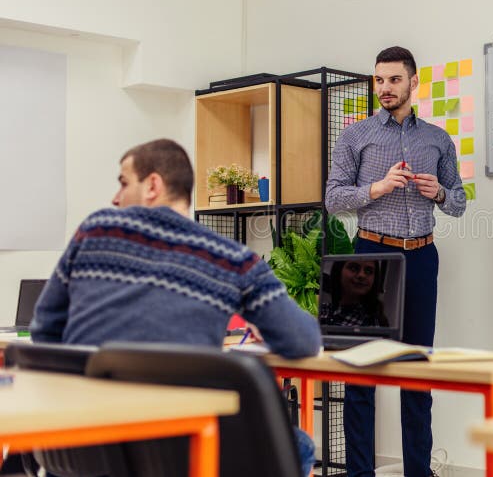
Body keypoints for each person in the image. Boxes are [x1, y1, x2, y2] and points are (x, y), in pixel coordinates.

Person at [30, 138, 320, 476]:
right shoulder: (233, 259)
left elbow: (45, 329)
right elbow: (302, 341)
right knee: (300, 445)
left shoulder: (95, 231)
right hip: (176, 452)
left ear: (153, 185)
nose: (116, 198)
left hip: (79, 447)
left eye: (123, 183)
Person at [326, 46, 466, 477]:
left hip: (422, 256)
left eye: (394, 80)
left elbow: (459, 202)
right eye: (379, 80)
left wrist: (438, 193)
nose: (385, 88)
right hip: (370, 258)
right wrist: (379, 187)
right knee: (361, 374)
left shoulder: (437, 139)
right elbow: (333, 199)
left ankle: (419, 472)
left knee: (417, 371)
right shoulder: (355, 136)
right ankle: (359, 474)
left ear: (413, 82)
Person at [319, 260, 388, 327]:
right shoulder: (323, 309)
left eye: (368, 271)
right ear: (338, 270)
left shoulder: (371, 324)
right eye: (353, 268)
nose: (362, 275)